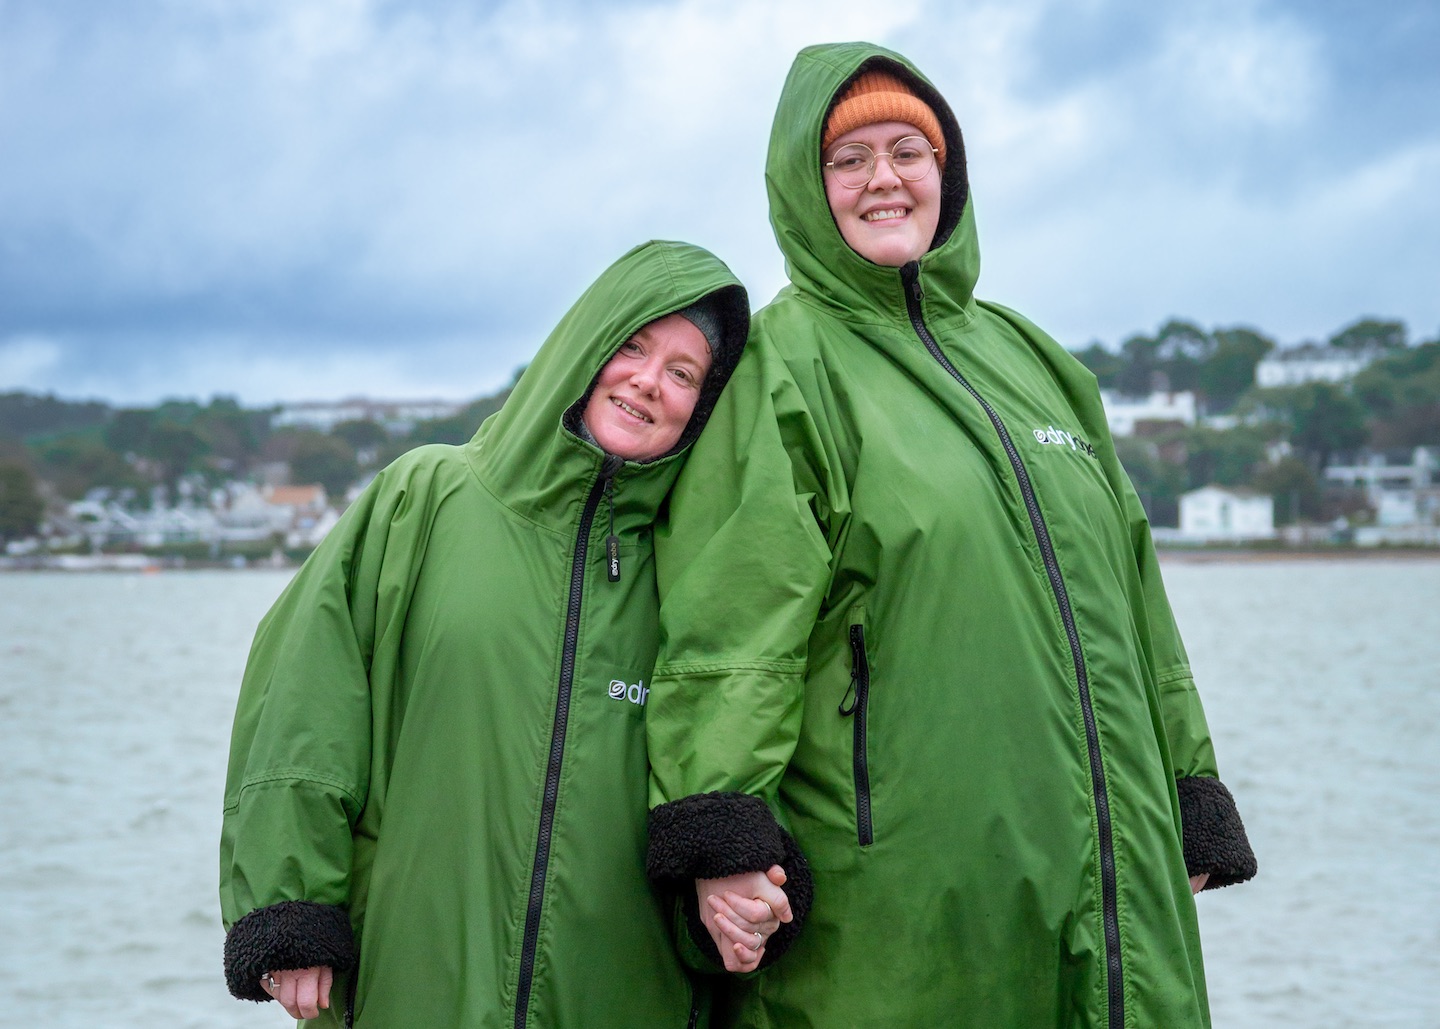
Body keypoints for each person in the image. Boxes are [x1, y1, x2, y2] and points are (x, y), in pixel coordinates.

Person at [643, 43, 1257, 1028]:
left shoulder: (1036, 361)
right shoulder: (782, 366)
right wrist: (720, 832)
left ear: (948, 174)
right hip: (904, 890)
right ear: (807, 186)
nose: (883, 178)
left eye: (907, 151)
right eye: (848, 160)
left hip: (1107, 865)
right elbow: (732, 620)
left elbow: (1135, 592)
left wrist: (1187, 781)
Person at [219, 240, 793, 1028]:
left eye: (685, 373)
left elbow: (736, 749)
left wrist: (729, 904)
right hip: (412, 982)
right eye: (632, 346)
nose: (648, 381)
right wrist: (291, 904)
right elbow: (305, 696)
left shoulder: (695, 569)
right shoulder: (425, 496)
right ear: (585, 343)